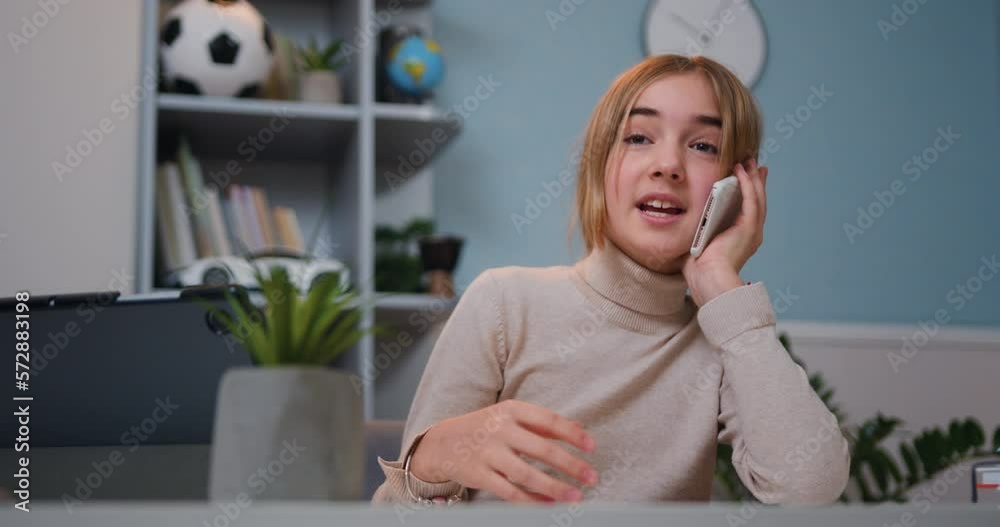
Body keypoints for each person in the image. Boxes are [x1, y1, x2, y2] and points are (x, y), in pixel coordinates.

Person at [372, 54, 849, 506]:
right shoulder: (503, 302)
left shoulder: (724, 341)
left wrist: (724, 289)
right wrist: (433, 460)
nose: (668, 165)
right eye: (639, 137)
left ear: (738, 190)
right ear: (600, 167)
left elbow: (811, 487)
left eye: (704, 146)